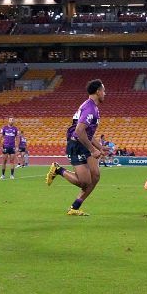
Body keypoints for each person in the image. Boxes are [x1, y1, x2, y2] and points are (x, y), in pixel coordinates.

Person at [46, 79, 107, 215]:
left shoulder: (93, 107)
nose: (105, 93)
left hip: (84, 143)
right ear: (97, 91)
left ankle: (74, 207)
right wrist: (93, 149)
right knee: (84, 183)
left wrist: (100, 148)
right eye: (103, 90)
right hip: (77, 144)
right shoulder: (90, 108)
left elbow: (88, 133)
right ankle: (58, 169)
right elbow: (79, 132)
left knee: (95, 176)